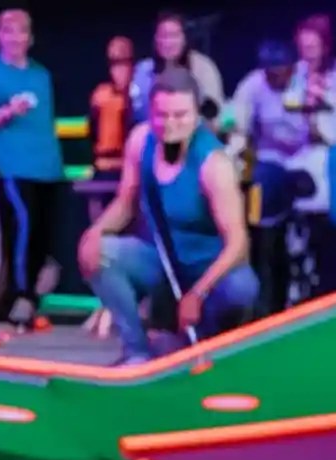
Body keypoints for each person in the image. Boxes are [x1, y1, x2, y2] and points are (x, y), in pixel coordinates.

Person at [79, 69, 260, 366]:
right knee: (100, 252)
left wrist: (198, 294)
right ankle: (136, 351)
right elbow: (126, 203)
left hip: (210, 270)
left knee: (242, 288)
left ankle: (202, 343)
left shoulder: (214, 164)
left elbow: (238, 243)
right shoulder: (140, 141)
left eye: (180, 115)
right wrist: (95, 233)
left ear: (197, 114)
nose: (170, 124)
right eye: (162, 115)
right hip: (161, 261)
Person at [0, 9, 65, 326]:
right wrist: (8, 111)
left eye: (21, 30)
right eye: (8, 30)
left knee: (45, 233)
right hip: (12, 167)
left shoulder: (41, 76)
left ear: (30, 36)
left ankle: (33, 296)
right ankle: (21, 295)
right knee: (25, 226)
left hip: (48, 166)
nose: (15, 37)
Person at [282, 13, 336, 300]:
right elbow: (290, 114)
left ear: (326, 47)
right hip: (300, 168)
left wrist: (317, 103)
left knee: (331, 245)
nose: (308, 56)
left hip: (333, 172)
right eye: (303, 49)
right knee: (298, 246)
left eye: (313, 49)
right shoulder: (296, 74)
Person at [230, 40, 305, 315]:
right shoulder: (252, 85)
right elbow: (237, 126)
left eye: (280, 70)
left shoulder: (307, 82)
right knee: (259, 187)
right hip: (268, 164)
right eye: (269, 71)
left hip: (308, 157)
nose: (274, 76)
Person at [130, 12, 224, 126]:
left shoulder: (204, 68)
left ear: (184, 39)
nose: (168, 43)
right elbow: (137, 112)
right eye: (163, 36)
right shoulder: (143, 71)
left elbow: (213, 116)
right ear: (155, 39)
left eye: (174, 36)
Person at [89, 36, 135, 183]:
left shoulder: (142, 93)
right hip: (106, 166)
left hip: (135, 167)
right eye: (114, 63)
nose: (119, 69)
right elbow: (93, 132)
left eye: (123, 62)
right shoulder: (101, 95)